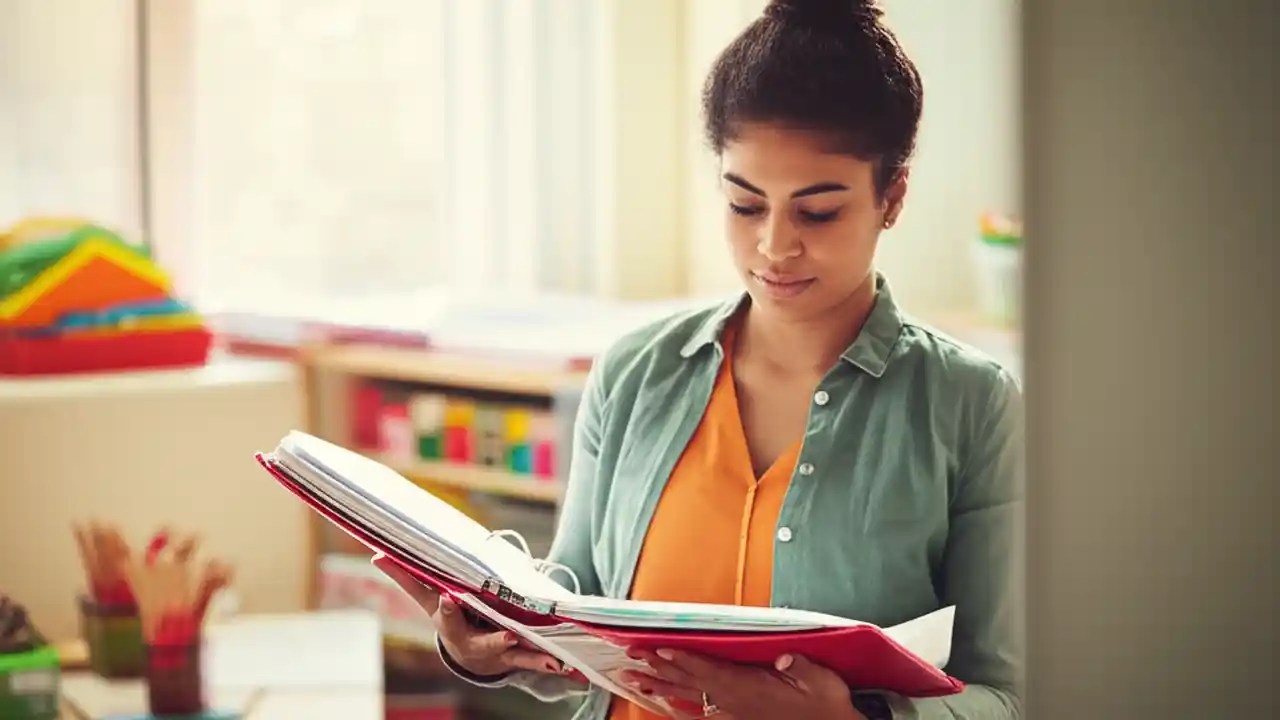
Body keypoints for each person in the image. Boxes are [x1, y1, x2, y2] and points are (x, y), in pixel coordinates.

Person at [375, 0, 1023, 718]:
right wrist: (486, 646)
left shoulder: (970, 405)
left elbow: (1012, 695)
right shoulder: (633, 373)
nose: (775, 247)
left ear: (891, 196)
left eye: (818, 212)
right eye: (745, 205)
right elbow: (577, 618)